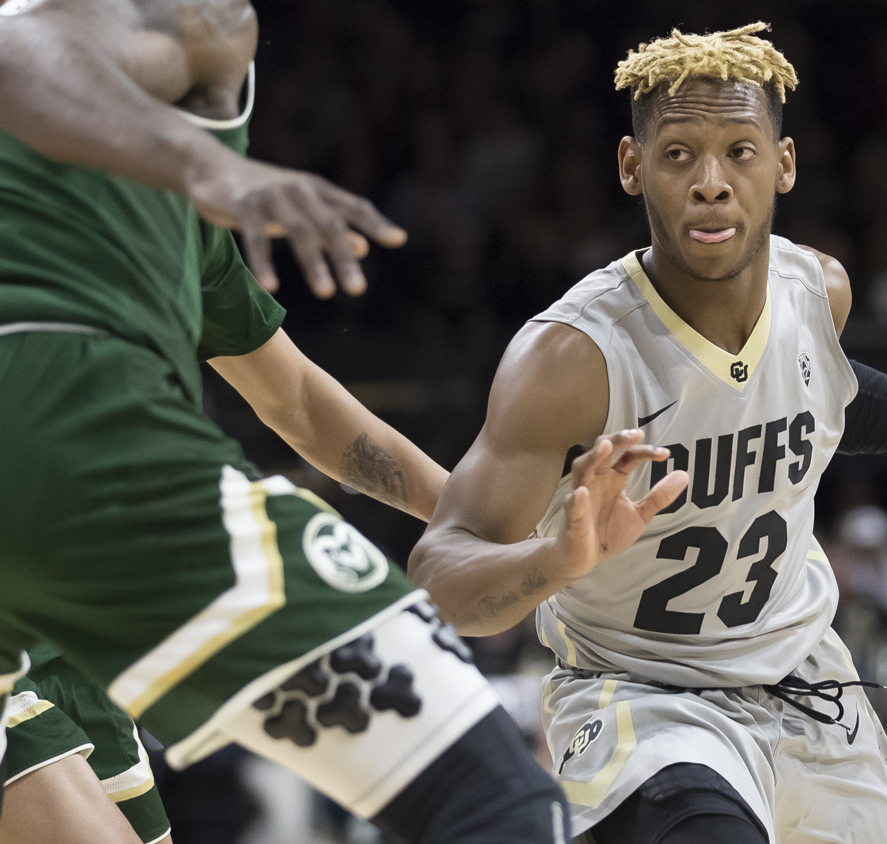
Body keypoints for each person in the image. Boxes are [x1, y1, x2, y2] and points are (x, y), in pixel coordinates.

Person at [0, 1, 673, 841]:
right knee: (496, 797)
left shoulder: (168, 220)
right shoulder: (143, 42)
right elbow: (21, 49)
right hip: (65, 445)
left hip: (54, 591)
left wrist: (494, 527)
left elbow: (301, 406)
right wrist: (216, 171)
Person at [409, 22, 887, 844]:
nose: (711, 183)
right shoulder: (572, 358)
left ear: (784, 164)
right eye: (679, 153)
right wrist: (557, 560)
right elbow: (441, 573)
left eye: (740, 151)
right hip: (647, 702)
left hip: (808, 684)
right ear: (632, 166)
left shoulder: (816, 290)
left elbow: (832, 399)